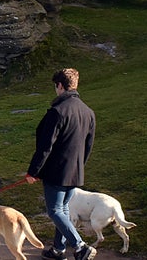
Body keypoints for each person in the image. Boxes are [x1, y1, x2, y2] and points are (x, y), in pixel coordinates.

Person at [25, 68, 97, 260]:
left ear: (60, 86)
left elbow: (45, 146)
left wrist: (33, 171)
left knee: (55, 211)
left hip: (56, 172)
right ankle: (58, 249)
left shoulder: (57, 112)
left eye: (55, 86)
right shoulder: (88, 112)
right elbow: (88, 146)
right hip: (75, 171)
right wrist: (79, 167)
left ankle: (80, 246)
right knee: (63, 209)